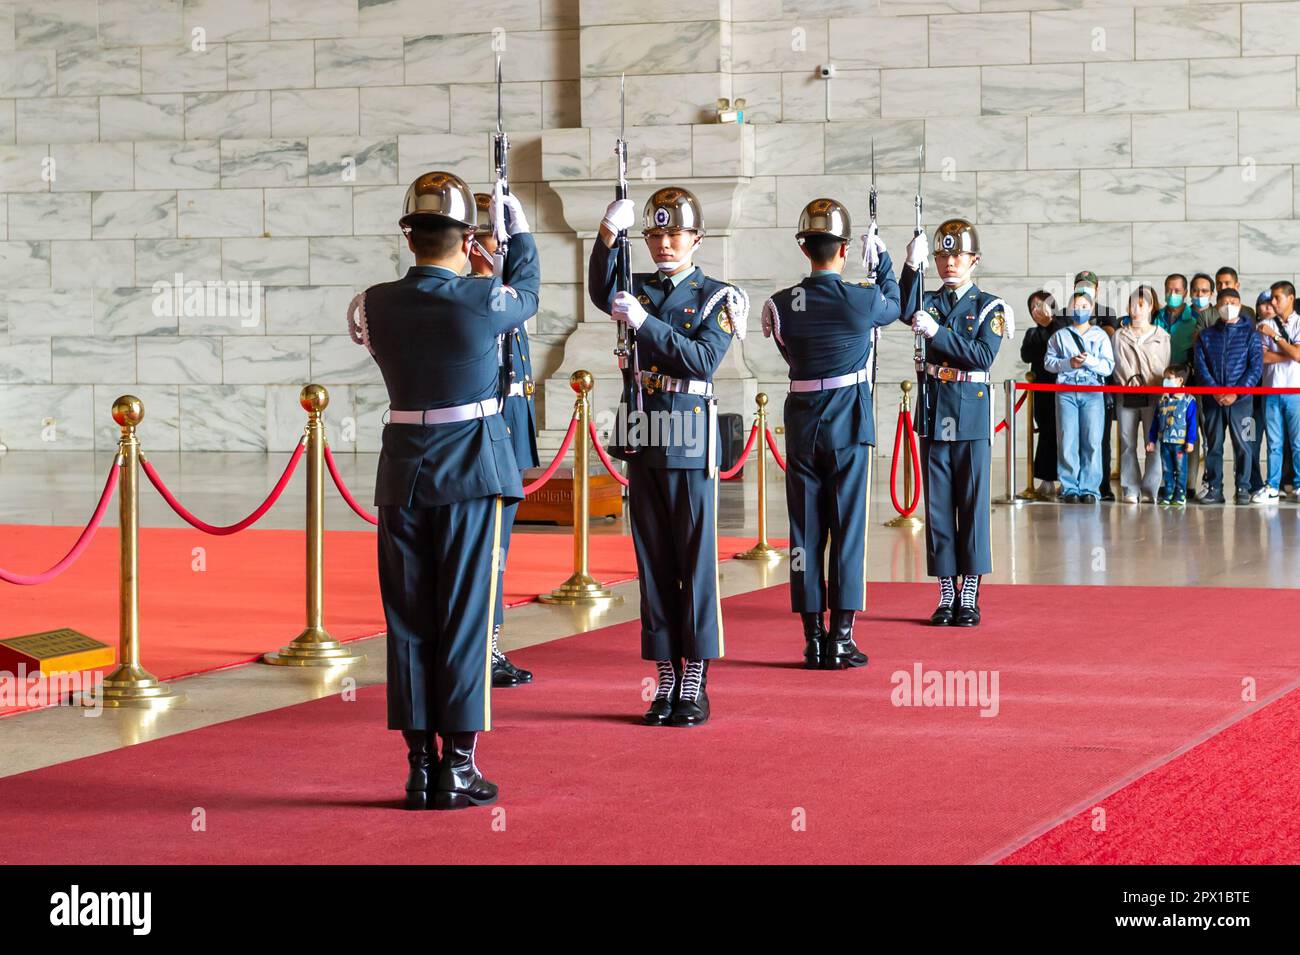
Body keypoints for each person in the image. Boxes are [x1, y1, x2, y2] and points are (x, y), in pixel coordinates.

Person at [351, 171, 539, 810]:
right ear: (464, 239)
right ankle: (457, 766)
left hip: (403, 471)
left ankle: (416, 767)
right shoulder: (480, 299)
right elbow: (529, 294)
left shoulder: (376, 301)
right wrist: (518, 235)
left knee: (408, 621)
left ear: (409, 237)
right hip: (469, 472)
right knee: (464, 617)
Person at [590, 186, 747, 727]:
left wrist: (644, 325)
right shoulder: (637, 288)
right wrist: (609, 233)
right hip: (642, 431)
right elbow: (598, 288)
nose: (663, 244)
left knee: (692, 564)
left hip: (687, 432)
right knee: (652, 563)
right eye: (654, 234)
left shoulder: (718, 297)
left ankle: (696, 677)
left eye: (674, 234)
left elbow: (701, 359)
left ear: (697, 239)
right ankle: (665, 676)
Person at [762, 198, 900, 668]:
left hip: (802, 423)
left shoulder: (782, 305)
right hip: (847, 423)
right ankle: (841, 637)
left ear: (805, 250)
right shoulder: (861, 299)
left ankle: (812, 636)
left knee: (805, 532)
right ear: (844, 249)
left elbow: (789, 353)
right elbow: (897, 306)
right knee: (847, 530)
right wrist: (882, 264)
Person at [899, 218, 1012, 628]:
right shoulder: (928, 302)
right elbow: (901, 307)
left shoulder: (990, 307)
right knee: (939, 507)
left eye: (957, 255)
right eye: (942, 255)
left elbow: (983, 356)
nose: (949, 262)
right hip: (933, 409)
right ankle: (947, 588)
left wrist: (939, 336)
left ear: (974, 260)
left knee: (973, 503)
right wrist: (910, 265)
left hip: (970, 412)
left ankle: (971, 589)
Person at [468, 192, 536, 689]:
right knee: (486, 553)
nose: (504, 246)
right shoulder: (478, 297)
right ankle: (482, 650)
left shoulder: (496, 292)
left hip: (507, 441)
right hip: (484, 444)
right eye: (497, 236)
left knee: (499, 551)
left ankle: (490, 644)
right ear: (471, 242)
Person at [1044, 290, 1115, 503]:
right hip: (1066, 392)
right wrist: (1069, 364)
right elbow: (1048, 363)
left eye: (1084, 306)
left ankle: (1090, 488)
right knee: (1067, 439)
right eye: (1076, 306)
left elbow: (1108, 367)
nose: (1080, 310)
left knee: (1092, 440)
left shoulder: (1100, 336)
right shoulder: (1060, 336)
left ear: (1091, 309)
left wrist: (1088, 361)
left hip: (1093, 392)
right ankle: (1069, 487)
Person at [1194, 287, 1263, 505]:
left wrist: (1236, 392)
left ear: (1241, 305)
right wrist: (1214, 390)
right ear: (1217, 306)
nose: (1229, 307)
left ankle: (1243, 487)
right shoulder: (1206, 335)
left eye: (1233, 302)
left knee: (1244, 444)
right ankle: (1215, 488)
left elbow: (1255, 368)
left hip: (1243, 401)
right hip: (1212, 400)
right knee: (1213, 446)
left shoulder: (1251, 335)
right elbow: (1200, 366)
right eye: (1224, 303)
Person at [1112, 285, 1170, 502]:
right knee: (1127, 442)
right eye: (1132, 304)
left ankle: (1151, 487)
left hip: (1153, 396)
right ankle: (1130, 487)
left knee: (1153, 441)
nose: (1136, 309)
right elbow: (1119, 363)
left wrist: (1148, 380)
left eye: (1141, 304)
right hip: (1126, 395)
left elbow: (1162, 366)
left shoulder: (1162, 336)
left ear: (1151, 306)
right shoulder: (1119, 335)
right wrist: (1131, 380)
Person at [1066, 270, 1118, 499]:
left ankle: (1101, 486)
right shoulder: (1065, 313)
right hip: (1069, 386)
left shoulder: (1108, 313)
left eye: (1089, 286)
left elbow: (1108, 338)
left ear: (1096, 289)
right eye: (1080, 285)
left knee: (1098, 439)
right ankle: (1071, 486)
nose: (1085, 289)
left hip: (1098, 385)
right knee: (1070, 439)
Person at [1253, 281, 1300, 503]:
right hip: (1271, 391)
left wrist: (1275, 337)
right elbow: (1262, 358)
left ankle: (1298, 485)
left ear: (1290, 298)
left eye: (1277, 298)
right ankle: (1272, 485)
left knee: (1298, 442)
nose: (1272, 302)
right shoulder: (1264, 324)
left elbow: (1298, 355)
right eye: (1271, 297)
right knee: (1274, 442)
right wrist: (1290, 354)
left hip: (1295, 392)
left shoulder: (1298, 323)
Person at [1020, 290, 1062, 496]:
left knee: (1065, 434)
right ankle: (1046, 480)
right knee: (1045, 432)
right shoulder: (1032, 333)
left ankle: (1067, 479)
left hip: (1062, 389)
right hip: (1041, 391)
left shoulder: (1063, 328)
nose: (1036, 311)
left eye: (1039, 305)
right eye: (1032, 307)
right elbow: (1026, 354)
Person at [1146, 365, 1197, 506]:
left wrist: (1190, 441)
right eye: (1165, 378)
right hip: (1165, 442)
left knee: (1180, 469)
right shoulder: (1162, 401)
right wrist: (1151, 440)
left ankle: (1180, 494)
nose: (1165, 381)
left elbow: (1192, 422)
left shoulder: (1188, 401)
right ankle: (1168, 493)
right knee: (1167, 469)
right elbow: (1155, 421)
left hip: (1180, 444)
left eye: (1169, 378)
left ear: (1180, 380)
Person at [1155, 273, 1197, 367]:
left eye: (1177, 291)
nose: (1172, 294)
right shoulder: (1156, 317)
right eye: (1169, 291)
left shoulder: (1196, 319)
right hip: (1158, 374)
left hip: (1186, 376)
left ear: (1185, 293)